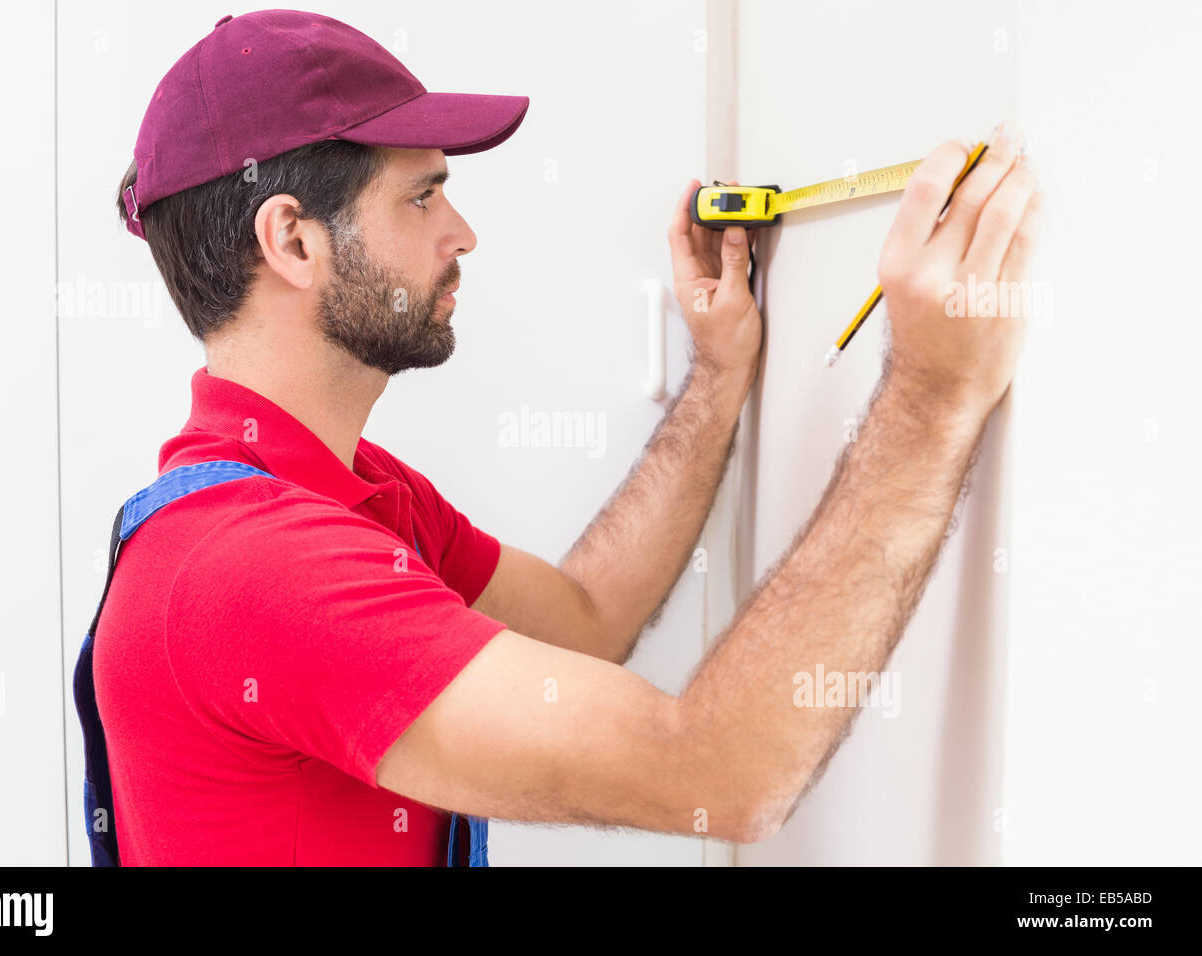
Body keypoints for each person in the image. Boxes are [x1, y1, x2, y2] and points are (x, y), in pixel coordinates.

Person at [94, 9, 1041, 864]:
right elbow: (716, 775)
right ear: (292, 241)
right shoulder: (254, 570)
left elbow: (587, 616)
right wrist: (933, 390)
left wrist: (715, 380)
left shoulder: (347, 496)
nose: (462, 233)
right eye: (422, 197)